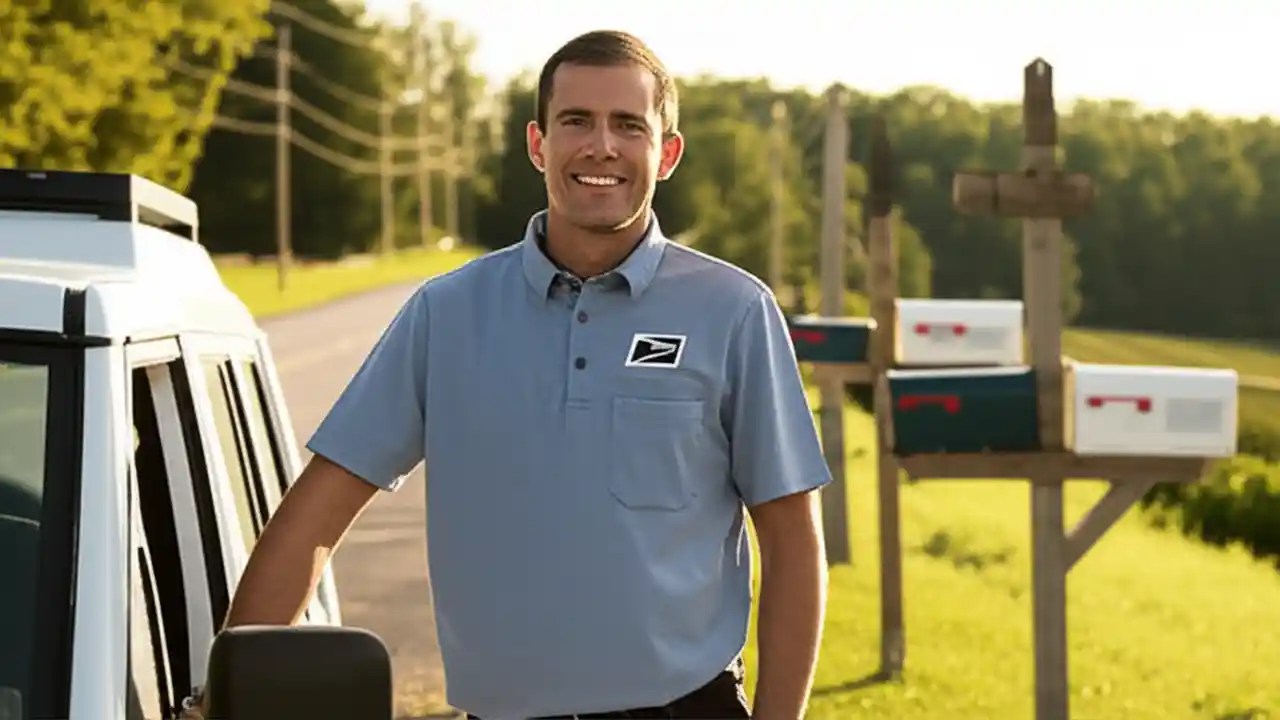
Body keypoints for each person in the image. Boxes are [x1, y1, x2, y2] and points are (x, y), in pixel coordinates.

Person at [221, 29, 832, 720]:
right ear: (538, 143)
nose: (601, 145)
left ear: (666, 153)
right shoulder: (444, 314)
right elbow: (315, 516)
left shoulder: (734, 311)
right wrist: (230, 692)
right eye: (577, 121)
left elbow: (790, 540)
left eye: (628, 125)